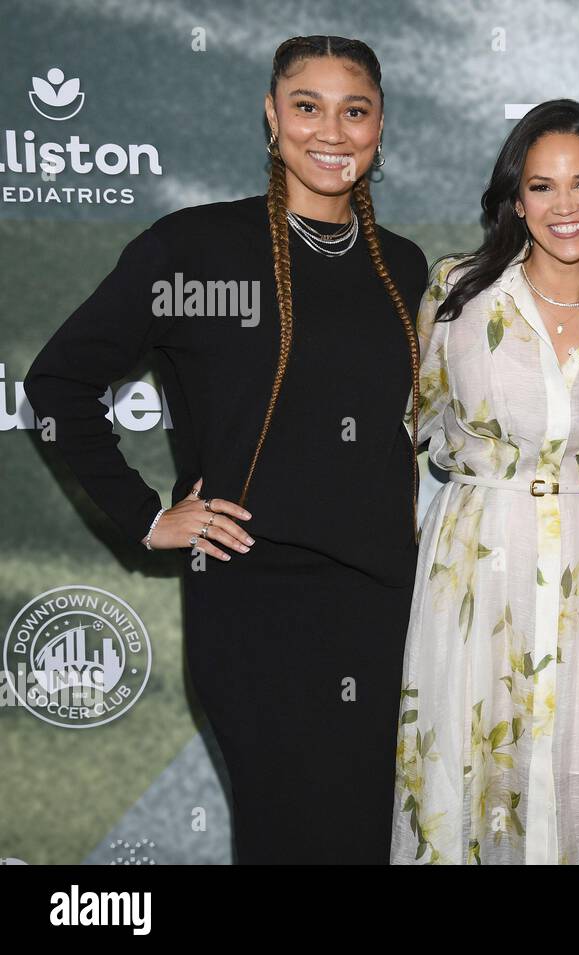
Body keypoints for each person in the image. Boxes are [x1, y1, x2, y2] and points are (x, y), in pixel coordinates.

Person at [25, 35, 427, 864]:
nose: (332, 130)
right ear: (271, 118)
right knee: (289, 839)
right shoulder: (193, 249)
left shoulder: (407, 267)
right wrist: (145, 516)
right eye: (306, 106)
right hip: (255, 607)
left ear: (380, 127)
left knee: (365, 841)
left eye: (354, 110)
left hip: (384, 607)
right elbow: (58, 383)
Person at [390, 99, 579, 865]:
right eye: (542, 186)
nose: (565, 206)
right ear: (515, 198)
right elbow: (404, 425)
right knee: (472, 774)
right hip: (479, 571)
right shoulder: (456, 295)